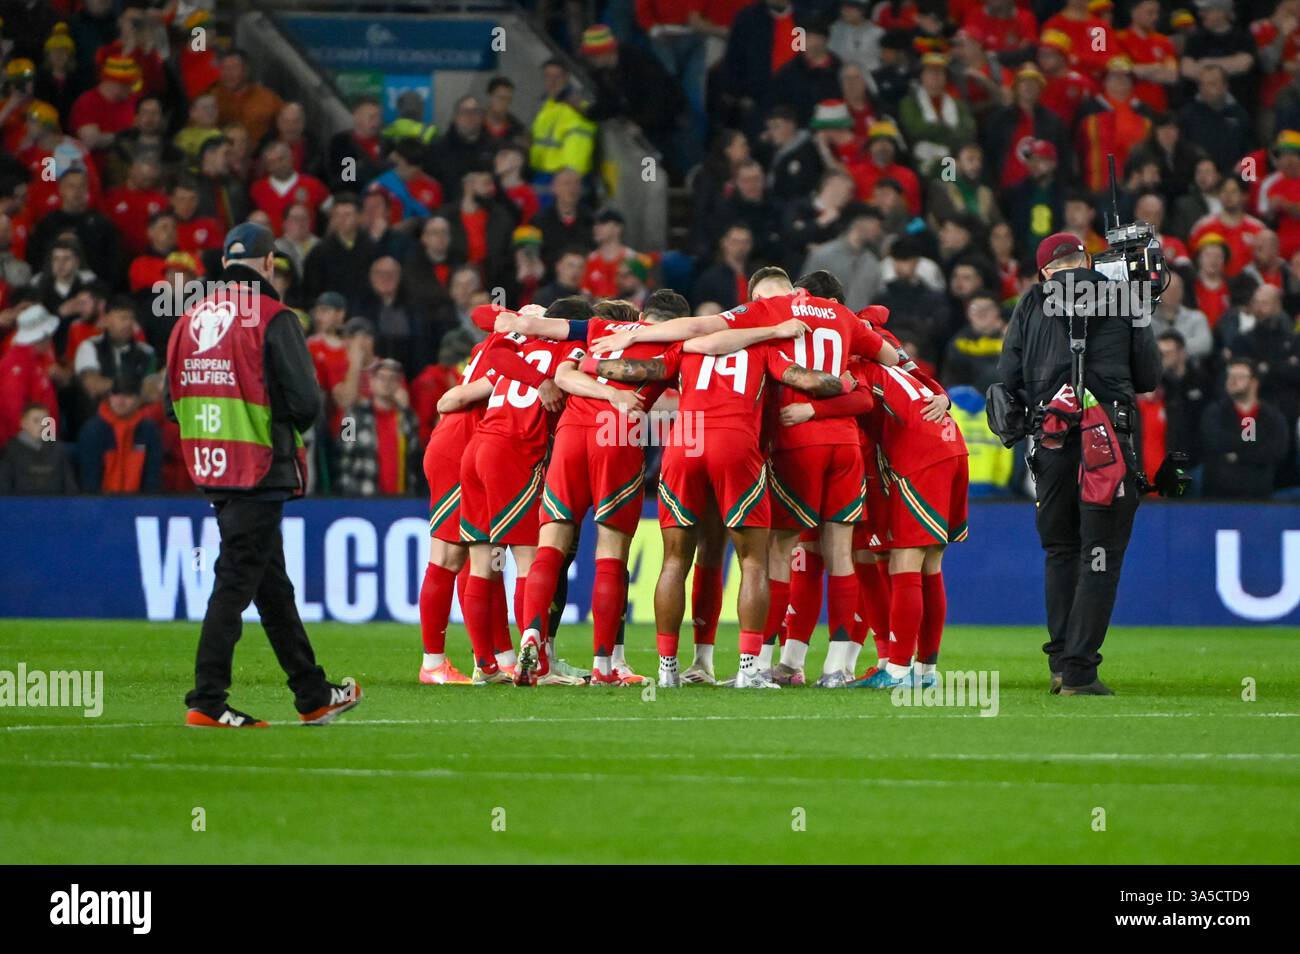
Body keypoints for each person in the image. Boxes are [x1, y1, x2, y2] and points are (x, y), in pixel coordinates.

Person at [164, 222, 361, 728]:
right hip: (260, 465)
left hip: (214, 464)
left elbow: (172, 401)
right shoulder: (274, 316)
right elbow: (305, 402)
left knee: (271, 586)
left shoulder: (189, 318)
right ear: (270, 263)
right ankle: (206, 701)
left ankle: (313, 695)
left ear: (225, 266)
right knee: (234, 581)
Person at [996, 232, 1159, 696]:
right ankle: (1080, 671)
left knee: (1061, 550)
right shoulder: (1124, 295)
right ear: (1086, 259)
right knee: (1100, 553)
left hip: (1050, 440)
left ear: (1045, 271)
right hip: (1107, 437)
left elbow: (1007, 379)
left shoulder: (1031, 301)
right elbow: (1147, 375)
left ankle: (1061, 664)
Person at [1200, 357, 1289, 497]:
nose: (1232, 381)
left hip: (1258, 493)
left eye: (1239, 377)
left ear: (1254, 382)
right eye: (1230, 376)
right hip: (1218, 495)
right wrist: (1255, 442)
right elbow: (1215, 441)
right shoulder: (1214, 412)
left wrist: (1238, 455)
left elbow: (1276, 450)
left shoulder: (1272, 416)